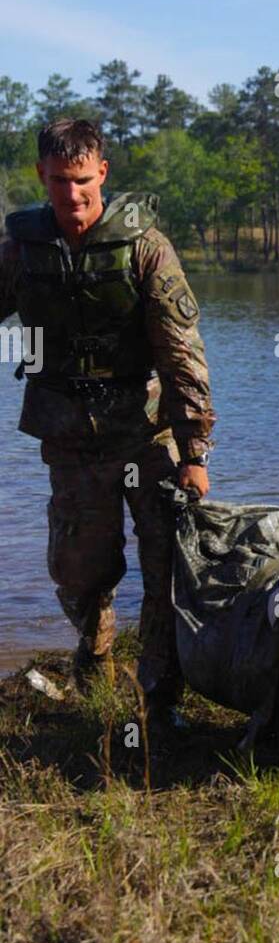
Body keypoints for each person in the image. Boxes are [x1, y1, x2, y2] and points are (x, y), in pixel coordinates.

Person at [0, 117, 216, 736]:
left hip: (146, 433)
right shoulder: (23, 250)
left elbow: (183, 356)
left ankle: (157, 701)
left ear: (104, 173)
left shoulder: (146, 248)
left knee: (163, 564)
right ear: (41, 175)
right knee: (77, 568)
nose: (72, 196)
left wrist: (194, 450)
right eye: (60, 182)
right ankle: (94, 664)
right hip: (69, 439)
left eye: (84, 181)